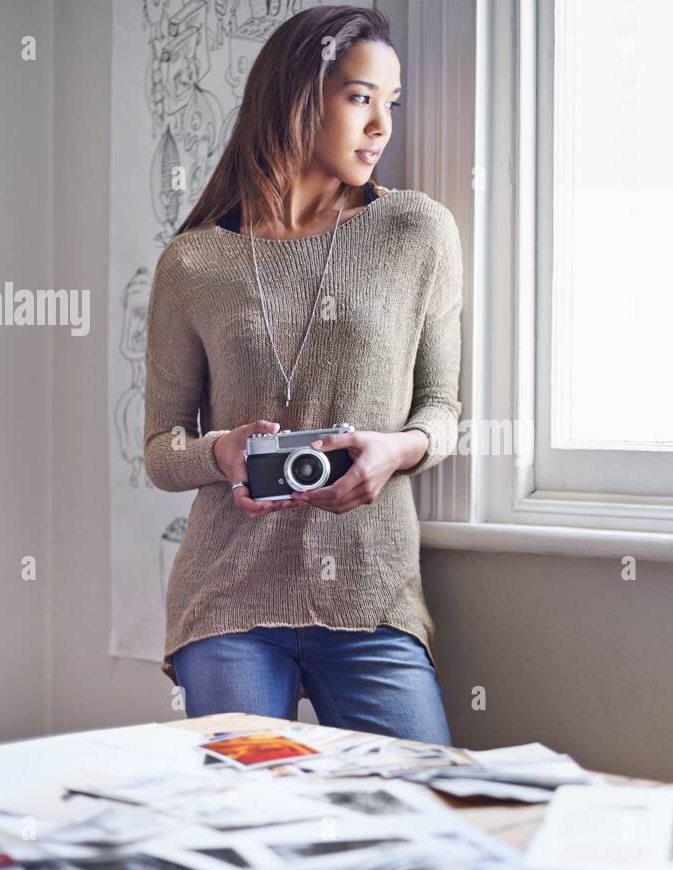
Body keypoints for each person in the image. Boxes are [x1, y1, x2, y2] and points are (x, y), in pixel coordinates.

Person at [142, 5, 461, 746]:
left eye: (392, 103)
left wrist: (396, 449)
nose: (382, 125)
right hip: (228, 603)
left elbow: (442, 408)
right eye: (359, 98)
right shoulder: (194, 262)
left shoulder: (418, 231)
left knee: (424, 815)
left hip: (373, 594)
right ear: (296, 97)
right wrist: (221, 452)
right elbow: (161, 448)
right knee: (251, 832)